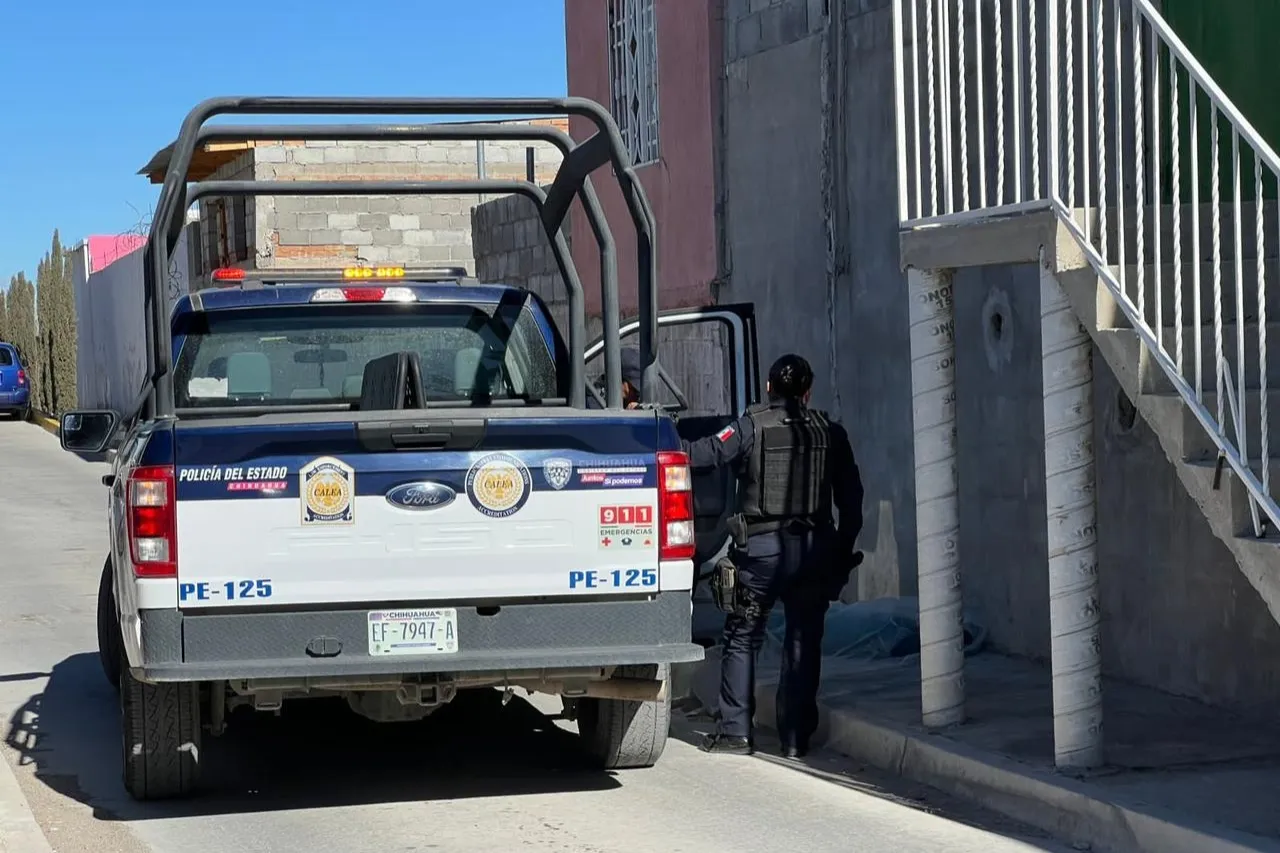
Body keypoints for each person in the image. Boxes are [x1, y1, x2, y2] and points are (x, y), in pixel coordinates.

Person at [683, 353, 864, 758]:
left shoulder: (750, 427)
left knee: (742, 636)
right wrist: (839, 551)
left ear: (768, 388)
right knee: (804, 639)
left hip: (761, 553)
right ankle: (795, 738)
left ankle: (736, 733)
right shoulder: (830, 432)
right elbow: (852, 502)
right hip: (814, 551)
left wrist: (654, 438)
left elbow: (703, 454)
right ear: (807, 392)